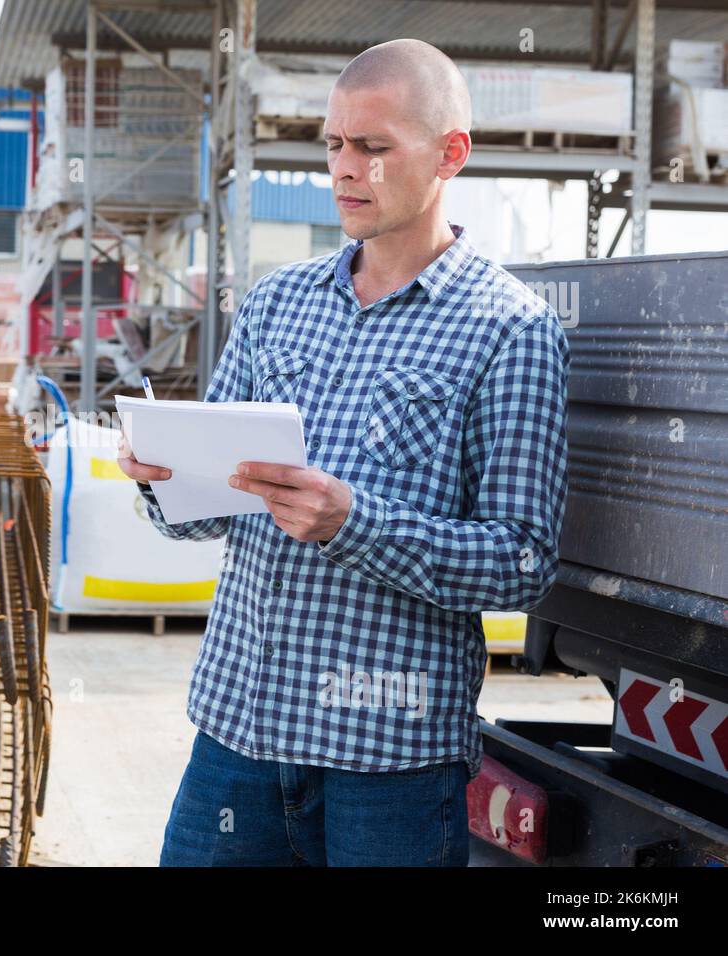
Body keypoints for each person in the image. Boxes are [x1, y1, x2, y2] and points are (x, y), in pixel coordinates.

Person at [117, 38, 570, 866]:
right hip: (238, 739)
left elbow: (522, 563)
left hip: (389, 768)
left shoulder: (511, 330)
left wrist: (352, 524)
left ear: (450, 155)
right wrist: (163, 479)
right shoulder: (277, 304)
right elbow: (203, 520)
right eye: (334, 144)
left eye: (373, 147)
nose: (345, 169)